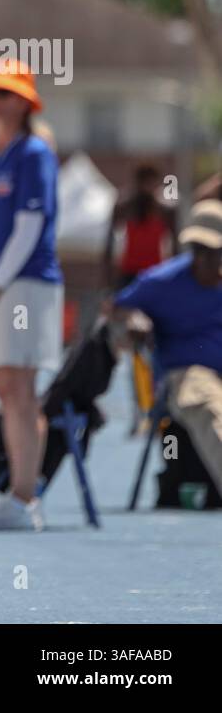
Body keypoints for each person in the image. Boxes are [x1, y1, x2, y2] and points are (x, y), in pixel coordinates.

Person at [0, 58, 63, 531]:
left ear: (25, 103)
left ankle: (25, 498)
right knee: (5, 387)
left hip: (26, 284)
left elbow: (29, 227)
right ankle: (19, 494)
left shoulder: (33, 154)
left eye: (4, 94)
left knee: (20, 389)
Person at [111, 200, 222, 497]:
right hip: (187, 375)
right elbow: (115, 309)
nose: (205, 259)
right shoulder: (162, 281)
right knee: (208, 404)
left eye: (214, 252)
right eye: (199, 250)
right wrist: (135, 318)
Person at [106, 163, 176, 291]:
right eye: (144, 182)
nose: (147, 188)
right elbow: (109, 243)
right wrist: (108, 278)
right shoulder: (124, 207)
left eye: (150, 182)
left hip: (155, 271)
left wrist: (174, 275)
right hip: (129, 272)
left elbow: (176, 246)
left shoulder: (165, 211)